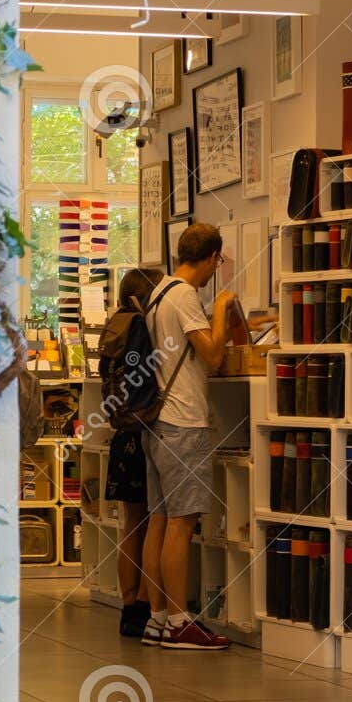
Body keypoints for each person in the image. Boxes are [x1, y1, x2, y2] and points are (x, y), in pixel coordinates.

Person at [140, 222, 235, 651]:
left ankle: (157, 617)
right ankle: (180, 622)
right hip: (184, 421)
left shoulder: (158, 291)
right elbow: (212, 357)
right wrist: (222, 309)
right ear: (213, 258)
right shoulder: (184, 295)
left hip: (157, 420)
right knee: (183, 523)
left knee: (159, 520)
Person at [106, 266, 161, 638]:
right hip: (145, 431)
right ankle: (144, 605)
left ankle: (128, 606)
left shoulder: (115, 326)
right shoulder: (142, 327)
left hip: (121, 434)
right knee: (155, 519)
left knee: (131, 524)